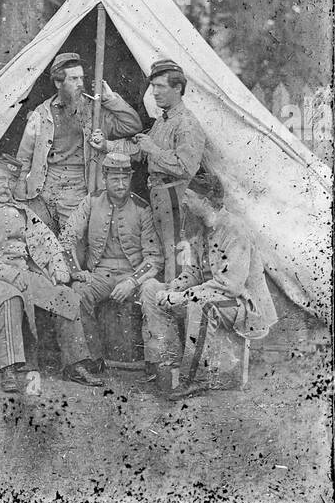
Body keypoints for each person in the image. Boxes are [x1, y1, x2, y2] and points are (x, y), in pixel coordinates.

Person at [0, 155, 102, 392]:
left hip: (22, 275)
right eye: (1, 179)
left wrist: (58, 269)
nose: (6, 186)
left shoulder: (22, 210)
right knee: (9, 297)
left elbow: (48, 243)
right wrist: (5, 272)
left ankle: (74, 364)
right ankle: (9, 368)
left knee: (65, 294)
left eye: (12, 181)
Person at [139, 169, 276, 400]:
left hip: (244, 304)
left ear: (204, 201)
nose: (183, 200)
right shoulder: (203, 226)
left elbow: (230, 285)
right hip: (212, 296)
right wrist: (173, 288)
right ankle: (164, 359)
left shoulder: (235, 229)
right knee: (152, 288)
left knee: (200, 305)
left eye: (189, 197)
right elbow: (194, 271)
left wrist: (183, 297)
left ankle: (193, 380)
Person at [60, 151, 164, 373]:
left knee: (152, 292)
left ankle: (154, 362)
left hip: (132, 275)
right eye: (114, 178)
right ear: (104, 178)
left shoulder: (142, 208)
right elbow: (67, 236)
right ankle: (89, 360)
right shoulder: (91, 201)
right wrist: (76, 271)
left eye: (124, 178)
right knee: (77, 292)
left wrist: (132, 282)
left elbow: (154, 257)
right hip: (99, 275)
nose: (120, 184)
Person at [17, 52, 144, 232]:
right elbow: (24, 157)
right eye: (74, 79)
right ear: (58, 82)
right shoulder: (41, 113)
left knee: (72, 244)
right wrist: (22, 192)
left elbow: (132, 125)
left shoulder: (94, 111)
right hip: (43, 188)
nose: (80, 84)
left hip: (77, 189)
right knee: (43, 243)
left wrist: (110, 99)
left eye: (81, 78)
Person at [131, 59, 207, 283]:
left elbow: (186, 167)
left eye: (160, 87)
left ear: (178, 89)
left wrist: (153, 149)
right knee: (165, 252)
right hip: (160, 195)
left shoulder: (186, 123)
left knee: (177, 254)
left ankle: (174, 304)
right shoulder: (163, 119)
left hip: (175, 196)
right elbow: (142, 152)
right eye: (152, 86)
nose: (154, 92)